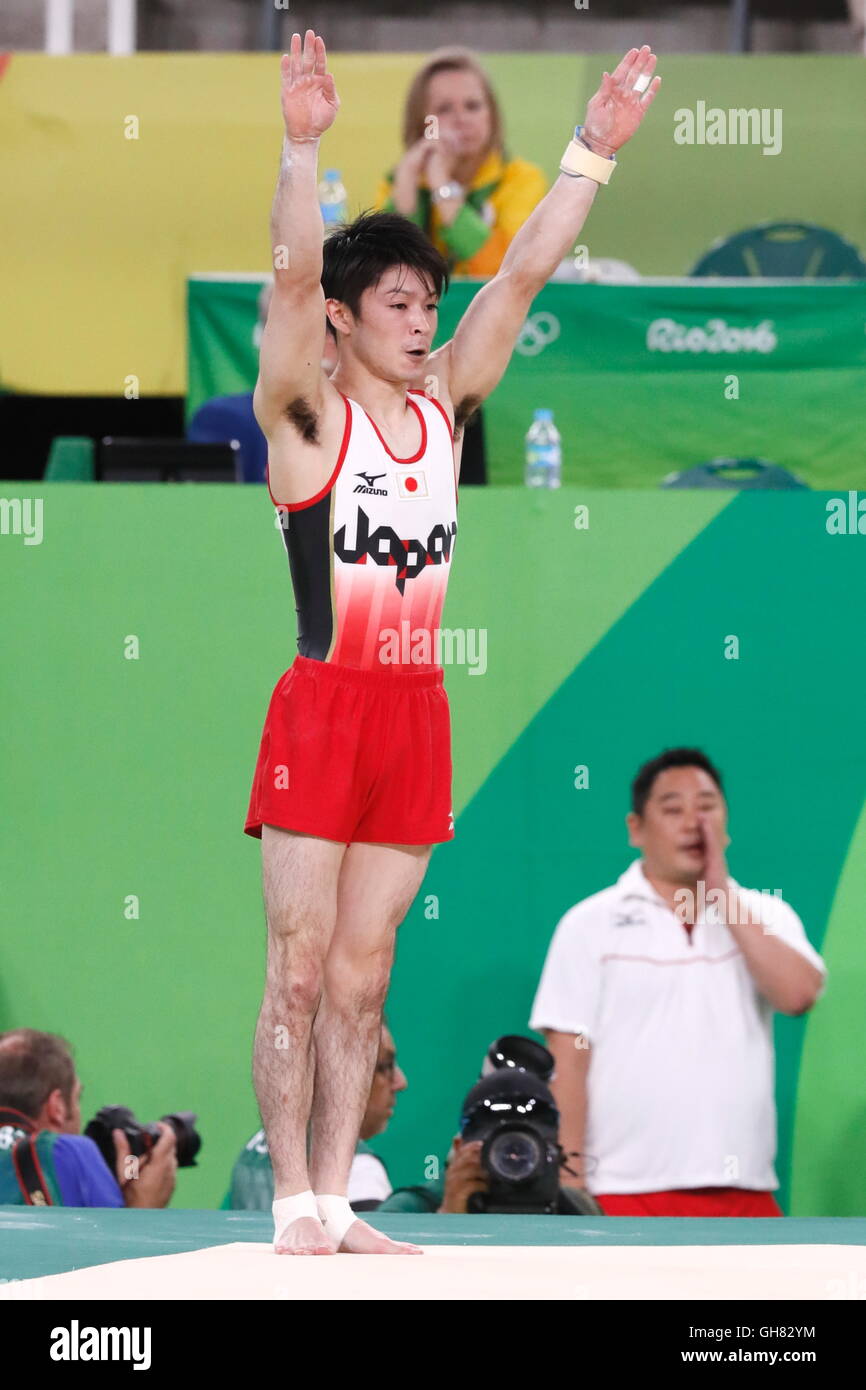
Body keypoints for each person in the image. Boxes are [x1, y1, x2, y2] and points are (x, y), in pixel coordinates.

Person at [245, 28, 660, 1257]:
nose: (424, 324)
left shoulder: (446, 408)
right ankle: (289, 1208)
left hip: (413, 708)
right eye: (398, 304)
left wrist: (590, 150)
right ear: (344, 314)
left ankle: (339, 1194)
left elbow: (521, 278)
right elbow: (281, 283)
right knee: (300, 966)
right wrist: (302, 144)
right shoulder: (307, 415)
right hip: (322, 702)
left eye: (430, 304)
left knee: (365, 981)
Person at [529, 749, 828, 1218]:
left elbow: (798, 995)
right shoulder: (590, 923)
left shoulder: (766, 914)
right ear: (636, 829)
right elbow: (569, 1056)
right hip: (621, 1190)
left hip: (743, 1189)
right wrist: (571, 1185)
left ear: (725, 821)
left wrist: (721, 893)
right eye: (673, 808)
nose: (693, 821)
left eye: (707, 806)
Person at [374, 46, 547, 279]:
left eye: (473, 106)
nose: (461, 119)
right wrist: (406, 183)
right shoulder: (398, 181)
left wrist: (442, 186)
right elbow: (380, 277)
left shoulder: (523, 179)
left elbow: (508, 273)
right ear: (422, 122)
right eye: (444, 109)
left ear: (491, 115)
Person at [222, 1021, 404, 1211]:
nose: (401, 1083)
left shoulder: (254, 1147)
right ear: (338, 1075)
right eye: (387, 1066)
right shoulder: (359, 1168)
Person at [0, 1029, 177, 1209]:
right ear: (57, 1107)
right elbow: (115, 1235)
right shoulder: (68, 1152)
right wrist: (144, 1203)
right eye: (78, 1098)